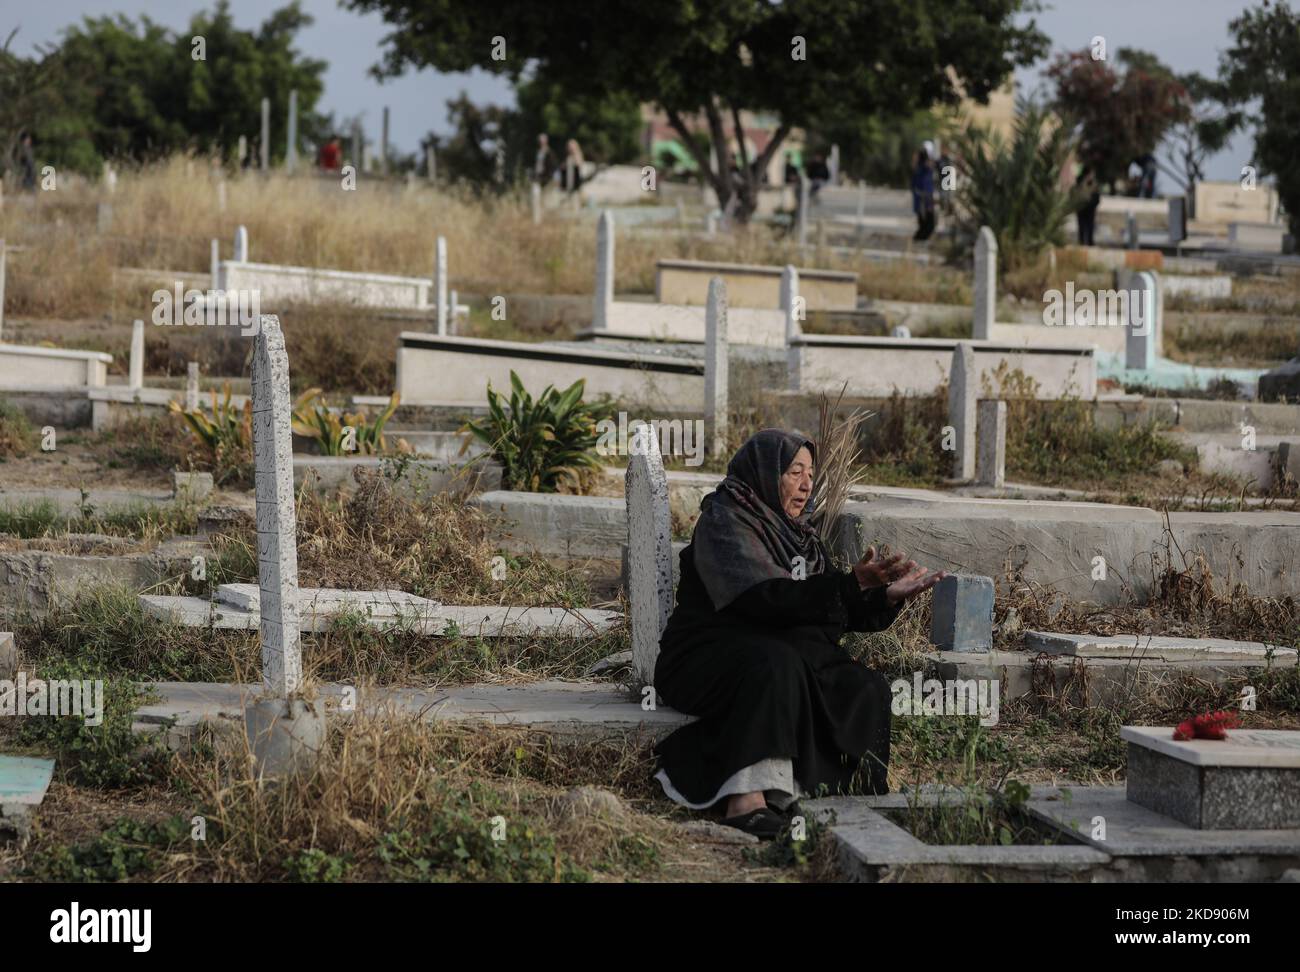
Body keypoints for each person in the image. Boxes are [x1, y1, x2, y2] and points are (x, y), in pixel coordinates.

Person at [652, 429, 947, 838]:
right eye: (794, 472)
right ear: (765, 472)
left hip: (774, 646)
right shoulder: (726, 520)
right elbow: (765, 601)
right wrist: (848, 584)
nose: (807, 484)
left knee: (862, 685)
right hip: (705, 655)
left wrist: (881, 597)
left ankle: (837, 798)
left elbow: (823, 608)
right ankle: (748, 800)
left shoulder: (800, 536)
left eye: (810, 473)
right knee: (778, 665)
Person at [911, 150, 936, 241]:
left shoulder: (922, 169)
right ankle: (922, 235)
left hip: (924, 197)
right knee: (925, 219)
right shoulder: (922, 169)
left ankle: (922, 235)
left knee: (926, 218)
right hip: (924, 197)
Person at [1075, 164, 1101, 246]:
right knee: (1082, 226)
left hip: (1090, 209)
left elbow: (1096, 196)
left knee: (1090, 226)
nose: (1092, 175)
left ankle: (1090, 242)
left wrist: (1094, 204)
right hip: (1081, 208)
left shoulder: (1094, 183)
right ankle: (1081, 242)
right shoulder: (1080, 182)